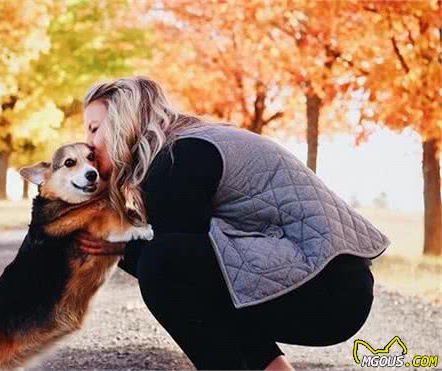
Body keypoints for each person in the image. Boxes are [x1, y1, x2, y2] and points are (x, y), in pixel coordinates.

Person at [74, 76, 389, 370]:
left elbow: (170, 270)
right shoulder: (186, 146)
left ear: (122, 122)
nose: (86, 144)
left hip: (327, 290)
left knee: (164, 264)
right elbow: (198, 276)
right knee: (169, 263)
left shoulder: (175, 159)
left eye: (93, 128)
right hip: (332, 285)